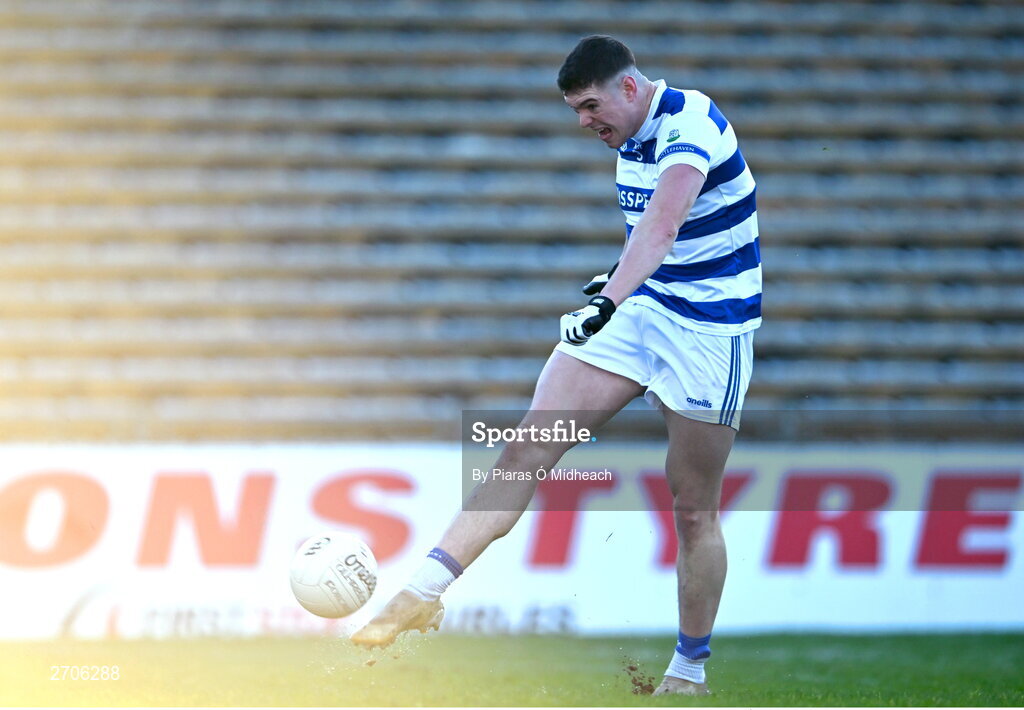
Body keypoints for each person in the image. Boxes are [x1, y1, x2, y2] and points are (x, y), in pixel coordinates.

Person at [352, 35, 761, 697]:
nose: (583, 122)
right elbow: (647, 244)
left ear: (630, 87)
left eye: (590, 105)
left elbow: (661, 227)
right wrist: (616, 298)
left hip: (711, 329)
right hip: (639, 309)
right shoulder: (623, 133)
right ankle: (422, 590)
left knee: (692, 508)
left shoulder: (691, 124)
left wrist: (605, 300)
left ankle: (688, 671)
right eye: (575, 110)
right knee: (524, 449)